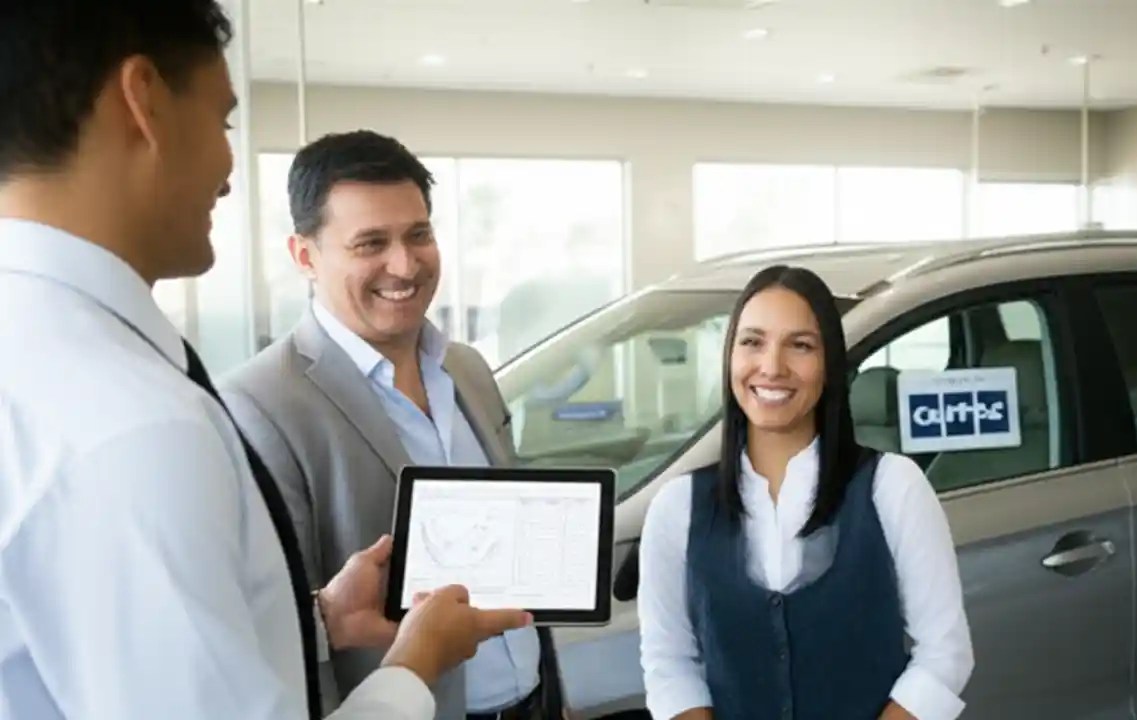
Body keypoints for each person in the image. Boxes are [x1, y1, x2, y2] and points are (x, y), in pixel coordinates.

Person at [0, 3, 529, 719]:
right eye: (224, 121)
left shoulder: (45, 355)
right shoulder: (135, 423)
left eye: (418, 235)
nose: (227, 170)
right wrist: (414, 663)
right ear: (144, 100)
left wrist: (319, 620)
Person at [220, 130, 564, 720]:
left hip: (534, 699)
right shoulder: (259, 404)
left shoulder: (468, 369)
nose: (404, 265)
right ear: (305, 256)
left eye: (418, 235)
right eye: (370, 243)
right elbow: (271, 621)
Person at [637, 265, 975, 720]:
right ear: (730, 357)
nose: (771, 366)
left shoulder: (893, 487)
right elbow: (668, 664)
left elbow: (945, 655)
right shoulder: (677, 508)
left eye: (800, 345)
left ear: (830, 363)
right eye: (752, 342)